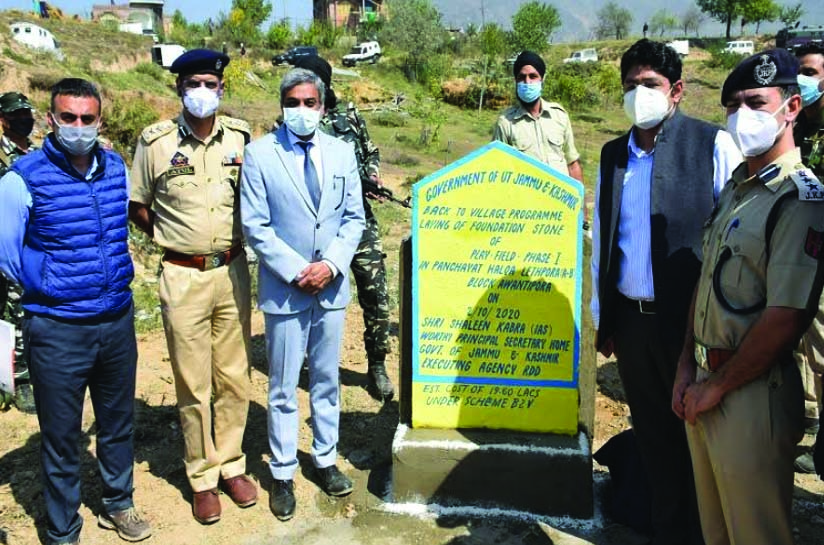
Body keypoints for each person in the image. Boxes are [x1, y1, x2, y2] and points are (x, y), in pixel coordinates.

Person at [591, 39, 741, 545]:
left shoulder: (711, 146)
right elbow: (605, 245)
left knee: (701, 436)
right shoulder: (613, 157)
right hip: (633, 326)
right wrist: (604, 318)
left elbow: (733, 242)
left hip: (691, 325)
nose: (639, 94)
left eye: (650, 85)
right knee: (654, 436)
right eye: (630, 86)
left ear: (675, 91)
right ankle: (669, 530)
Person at [673, 48, 824, 545]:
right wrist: (686, 367)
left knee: (755, 534)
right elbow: (708, 282)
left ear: (792, 108)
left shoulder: (799, 199)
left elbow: (785, 317)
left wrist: (716, 386)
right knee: (717, 532)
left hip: (750, 395)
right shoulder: (740, 187)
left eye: (756, 101)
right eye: (733, 104)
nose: (743, 116)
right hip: (705, 382)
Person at [0, 78, 151, 545]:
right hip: (58, 328)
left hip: (115, 319)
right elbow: (6, 254)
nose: (79, 127)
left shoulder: (114, 167)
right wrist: (51, 286)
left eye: (88, 118)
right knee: (62, 437)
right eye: (69, 117)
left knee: (117, 422)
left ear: (100, 120)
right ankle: (63, 529)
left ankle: (118, 504)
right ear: (52, 120)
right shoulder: (21, 178)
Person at [129, 49, 257, 524]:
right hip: (182, 275)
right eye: (193, 84)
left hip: (233, 271)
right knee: (192, 380)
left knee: (235, 375)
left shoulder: (242, 138)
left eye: (210, 83)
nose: (202, 91)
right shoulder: (155, 142)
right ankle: (202, 476)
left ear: (222, 88)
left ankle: (231, 463)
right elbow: (138, 205)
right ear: (179, 89)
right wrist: (175, 242)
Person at [240, 67, 365, 522]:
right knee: (282, 386)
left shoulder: (341, 151)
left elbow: (354, 218)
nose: (301, 110)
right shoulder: (259, 154)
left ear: (324, 107)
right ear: (281, 106)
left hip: (331, 286)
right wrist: (298, 271)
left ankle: (326, 459)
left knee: (327, 381)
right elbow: (255, 225)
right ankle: (283, 471)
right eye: (292, 102)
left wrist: (330, 265)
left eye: (310, 102)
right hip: (285, 289)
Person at [293, 54, 395, 400]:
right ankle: (315, 366)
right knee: (314, 297)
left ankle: (377, 364)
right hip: (318, 227)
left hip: (359, 221)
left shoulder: (348, 115)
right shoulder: (294, 120)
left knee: (376, 296)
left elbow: (370, 153)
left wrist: (372, 176)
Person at [493, 50, 587, 227]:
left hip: (562, 209)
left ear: (542, 79)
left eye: (533, 76)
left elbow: (572, 164)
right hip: (527, 215)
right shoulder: (505, 123)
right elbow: (498, 175)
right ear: (515, 81)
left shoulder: (559, 116)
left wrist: (582, 209)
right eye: (521, 77)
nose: (527, 82)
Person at [794, 43, 824, 473]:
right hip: (797, 247)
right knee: (799, 338)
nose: (803, 77)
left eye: (811, 71)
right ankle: (809, 419)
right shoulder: (795, 123)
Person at [0, 91, 37, 414]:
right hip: (9, 245)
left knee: (34, 312)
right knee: (14, 314)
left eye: (27, 113)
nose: (25, 118)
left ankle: (40, 374)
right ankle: (21, 382)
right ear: (4, 119)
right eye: (17, 114)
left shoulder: (37, 152)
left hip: (36, 246)